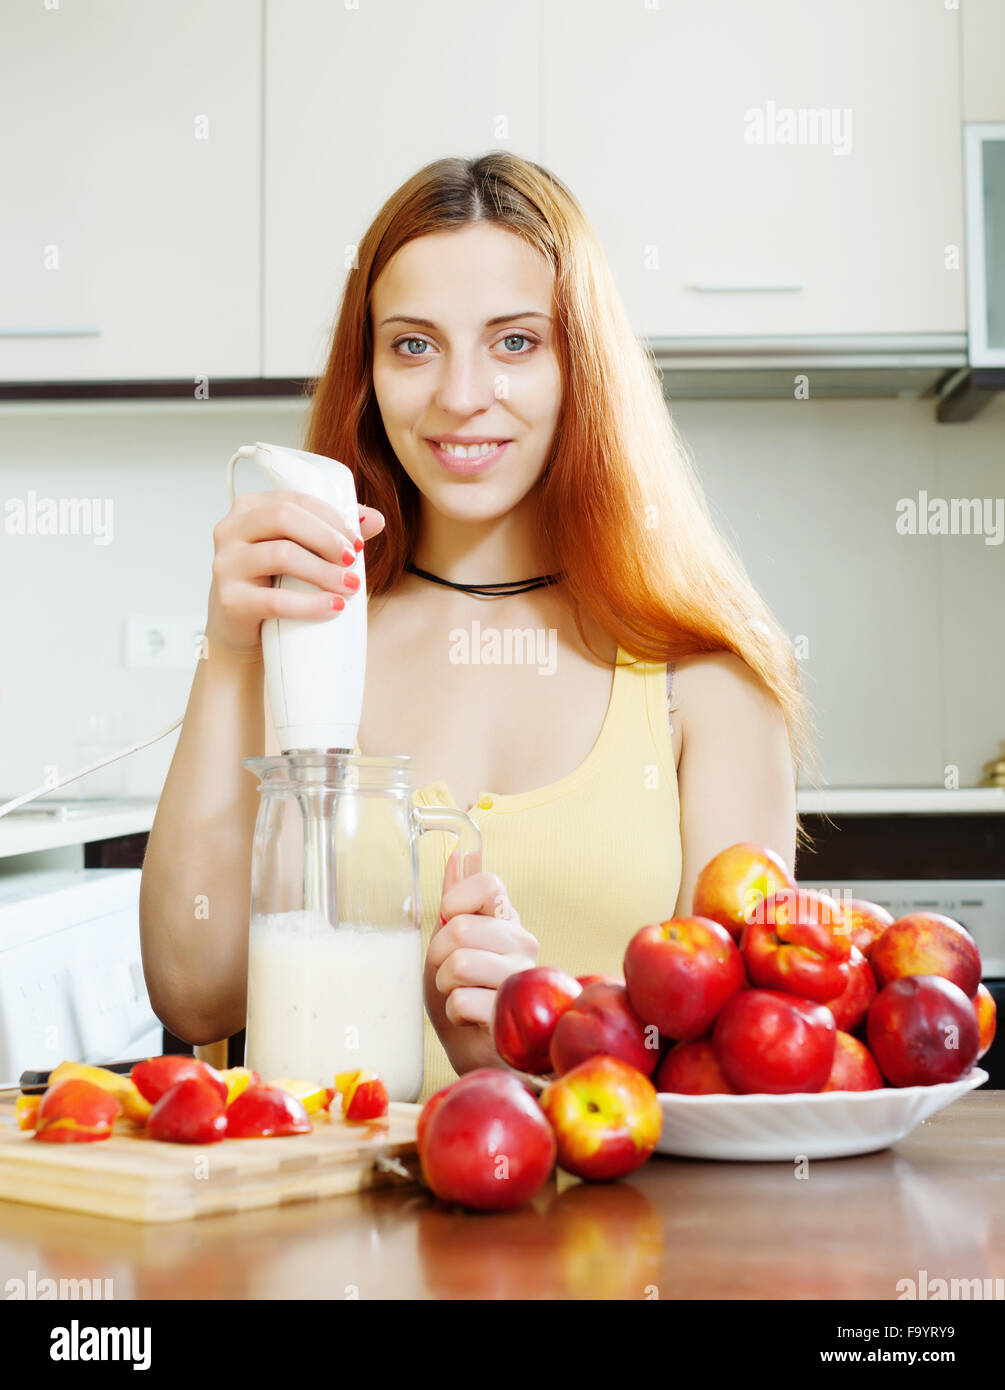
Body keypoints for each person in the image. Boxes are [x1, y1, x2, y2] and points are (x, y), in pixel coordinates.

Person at [141, 153, 818, 1102]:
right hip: (318, 1241)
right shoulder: (299, 646)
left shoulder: (706, 677)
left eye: (513, 342)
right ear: (367, 371)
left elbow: (744, 1063)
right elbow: (195, 994)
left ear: (581, 360)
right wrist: (227, 656)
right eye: (413, 345)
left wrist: (552, 1045)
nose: (460, 394)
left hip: (612, 1242)